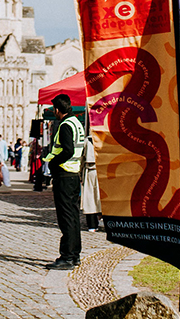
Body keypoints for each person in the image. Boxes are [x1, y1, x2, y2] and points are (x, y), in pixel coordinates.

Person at [44, 94, 85, 270]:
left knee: (66, 216)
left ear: (58, 110)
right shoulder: (77, 123)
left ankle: (67, 256)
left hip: (65, 174)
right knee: (73, 215)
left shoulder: (65, 125)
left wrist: (53, 163)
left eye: (54, 110)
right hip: (73, 173)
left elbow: (67, 150)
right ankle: (75, 254)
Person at [81, 132, 102, 232]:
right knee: (93, 198)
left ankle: (92, 225)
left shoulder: (87, 140)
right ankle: (93, 224)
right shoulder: (88, 140)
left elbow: (82, 158)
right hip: (94, 170)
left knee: (91, 199)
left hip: (93, 170)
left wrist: (80, 174)